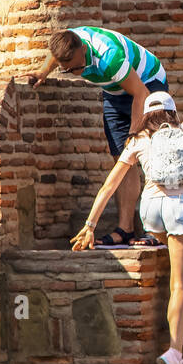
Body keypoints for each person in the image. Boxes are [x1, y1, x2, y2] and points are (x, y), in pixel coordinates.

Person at [70, 90, 183, 364]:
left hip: (151, 212)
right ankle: (175, 354)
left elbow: (109, 185)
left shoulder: (138, 141)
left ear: (145, 115)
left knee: (168, 258)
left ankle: (182, 318)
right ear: (172, 112)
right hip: (181, 208)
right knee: (181, 285)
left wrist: (90, 225)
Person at [27, 26, 168, 245]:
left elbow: (141, 93)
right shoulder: (66, 44)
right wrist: (43, 72)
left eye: (78, 67)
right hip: (114, 91)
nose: (77, 73)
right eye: (68, 70)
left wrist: (133, 133)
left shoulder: (109, 56)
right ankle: (125, 230)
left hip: (147, 83)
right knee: (122, 160)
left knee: (154, 156)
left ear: (84, 49)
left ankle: (157, 232)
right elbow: (55, 56)